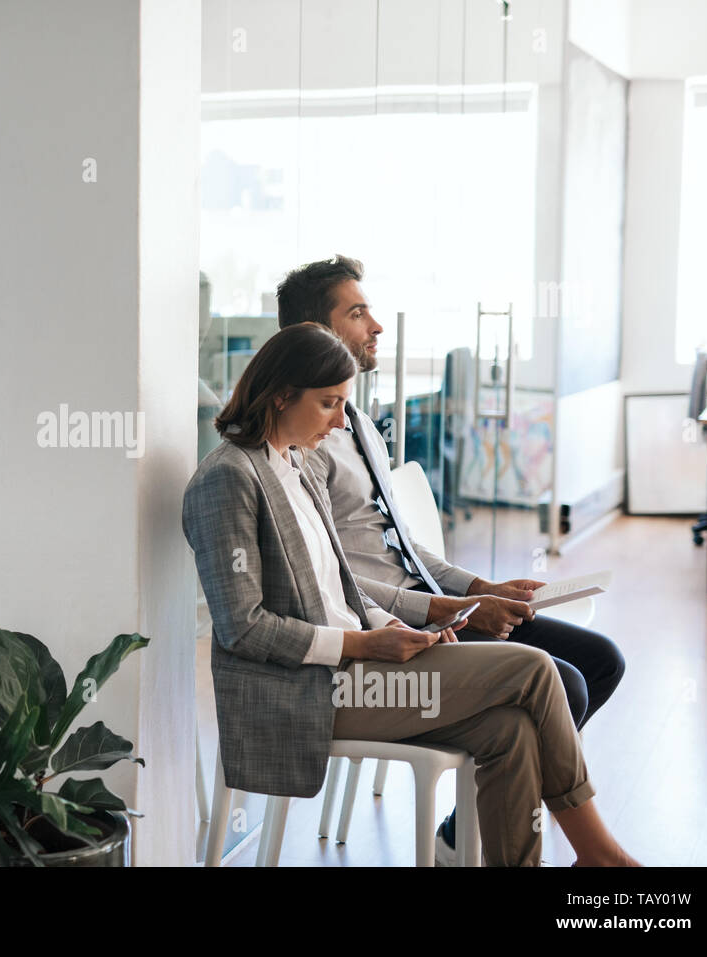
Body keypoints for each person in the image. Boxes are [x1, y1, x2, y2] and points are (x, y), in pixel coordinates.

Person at [182, 321, 639, 866]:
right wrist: (361, 647)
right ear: (281, 395)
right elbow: (242, 627)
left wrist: (385, 625)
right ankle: (602, 858)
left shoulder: (297, 465)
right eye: (328, 404)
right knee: (537, 670)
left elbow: (341, 587)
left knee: (512, 731)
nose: (339, 420)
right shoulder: (228, 478)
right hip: (312, 690)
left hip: (361, 667)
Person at [279, 255, 626, 863]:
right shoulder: (302, 445)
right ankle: (486, 833)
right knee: (559, 684)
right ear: (318, 332)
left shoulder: (356, 422)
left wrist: (483, 587)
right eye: (357, 313)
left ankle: (468, 829)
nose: (377, 327)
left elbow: (408, 550)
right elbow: (332, 581)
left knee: (600, 661)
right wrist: (454, 608)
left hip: (437, 608)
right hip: (394, 631)